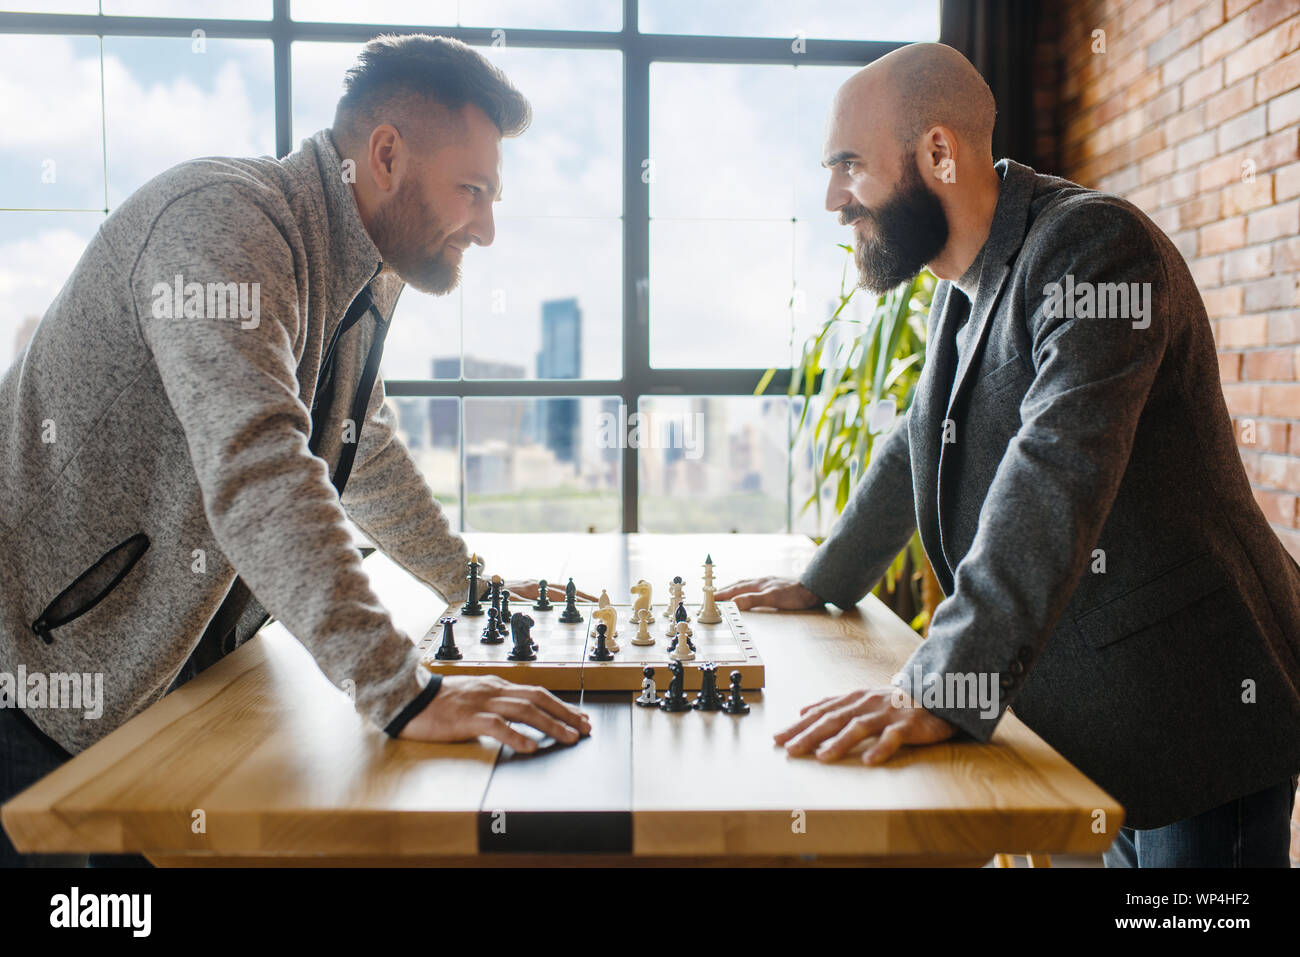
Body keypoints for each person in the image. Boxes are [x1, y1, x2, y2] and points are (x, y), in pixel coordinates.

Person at [0, 34, 593, 867]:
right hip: (31, 672)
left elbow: (362, 448)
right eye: (473, 191)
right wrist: (401, 690)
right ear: (386, 155)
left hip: (155, 679)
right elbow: (260, 470)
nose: (487, 229)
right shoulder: (221, 222)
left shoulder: (361, 271)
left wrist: (468, 585)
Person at [716, 42, 1300, 867]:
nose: (832, 199)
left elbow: (1058, 463)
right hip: (1082, 719)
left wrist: (941, 684)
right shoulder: (962, 288)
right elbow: (917, 444)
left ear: (939, 152)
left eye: (850, 165)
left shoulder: (1094, 247)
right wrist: (824, 579)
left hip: (1196, 710)